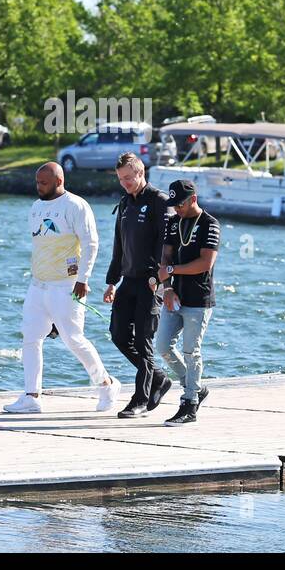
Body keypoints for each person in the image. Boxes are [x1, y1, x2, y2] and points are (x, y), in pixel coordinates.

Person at [3, 162, 121, 414]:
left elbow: (91, 244)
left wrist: (83, 278)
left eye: (43, 183)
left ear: (59, 181)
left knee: (74, 339)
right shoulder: (35, 207)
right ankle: (31, 396)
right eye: (37, 182)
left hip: (66, 286)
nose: (38, 187)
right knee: (31, 337)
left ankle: (106, 385)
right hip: (38, 285)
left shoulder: (75, 206)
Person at [102, 151, 173, 418]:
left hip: (150, 283)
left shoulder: (159, 201)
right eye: (121, 179)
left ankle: (140, 400)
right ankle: (158, 377)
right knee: (119, 334)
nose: (125, 183)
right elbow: (118, 246)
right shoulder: (124, 203)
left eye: (129, 178)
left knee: (144, 341)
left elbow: (166, 246)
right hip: (128, 282)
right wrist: (111, 282)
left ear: (141, 173)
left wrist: (159, 279)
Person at [156, 179, 220, 425]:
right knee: (163, 346)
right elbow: (165, 256)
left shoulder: (210, 224)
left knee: (191, 351)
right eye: (173, 205)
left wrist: (171, 270)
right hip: (174, 296)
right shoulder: (173, 222)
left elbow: (205, 263)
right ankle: (195, 387)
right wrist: (168, 287)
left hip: (198, 299)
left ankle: (189, 402)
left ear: (193, 199)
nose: (176, 209)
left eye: (180, 204)